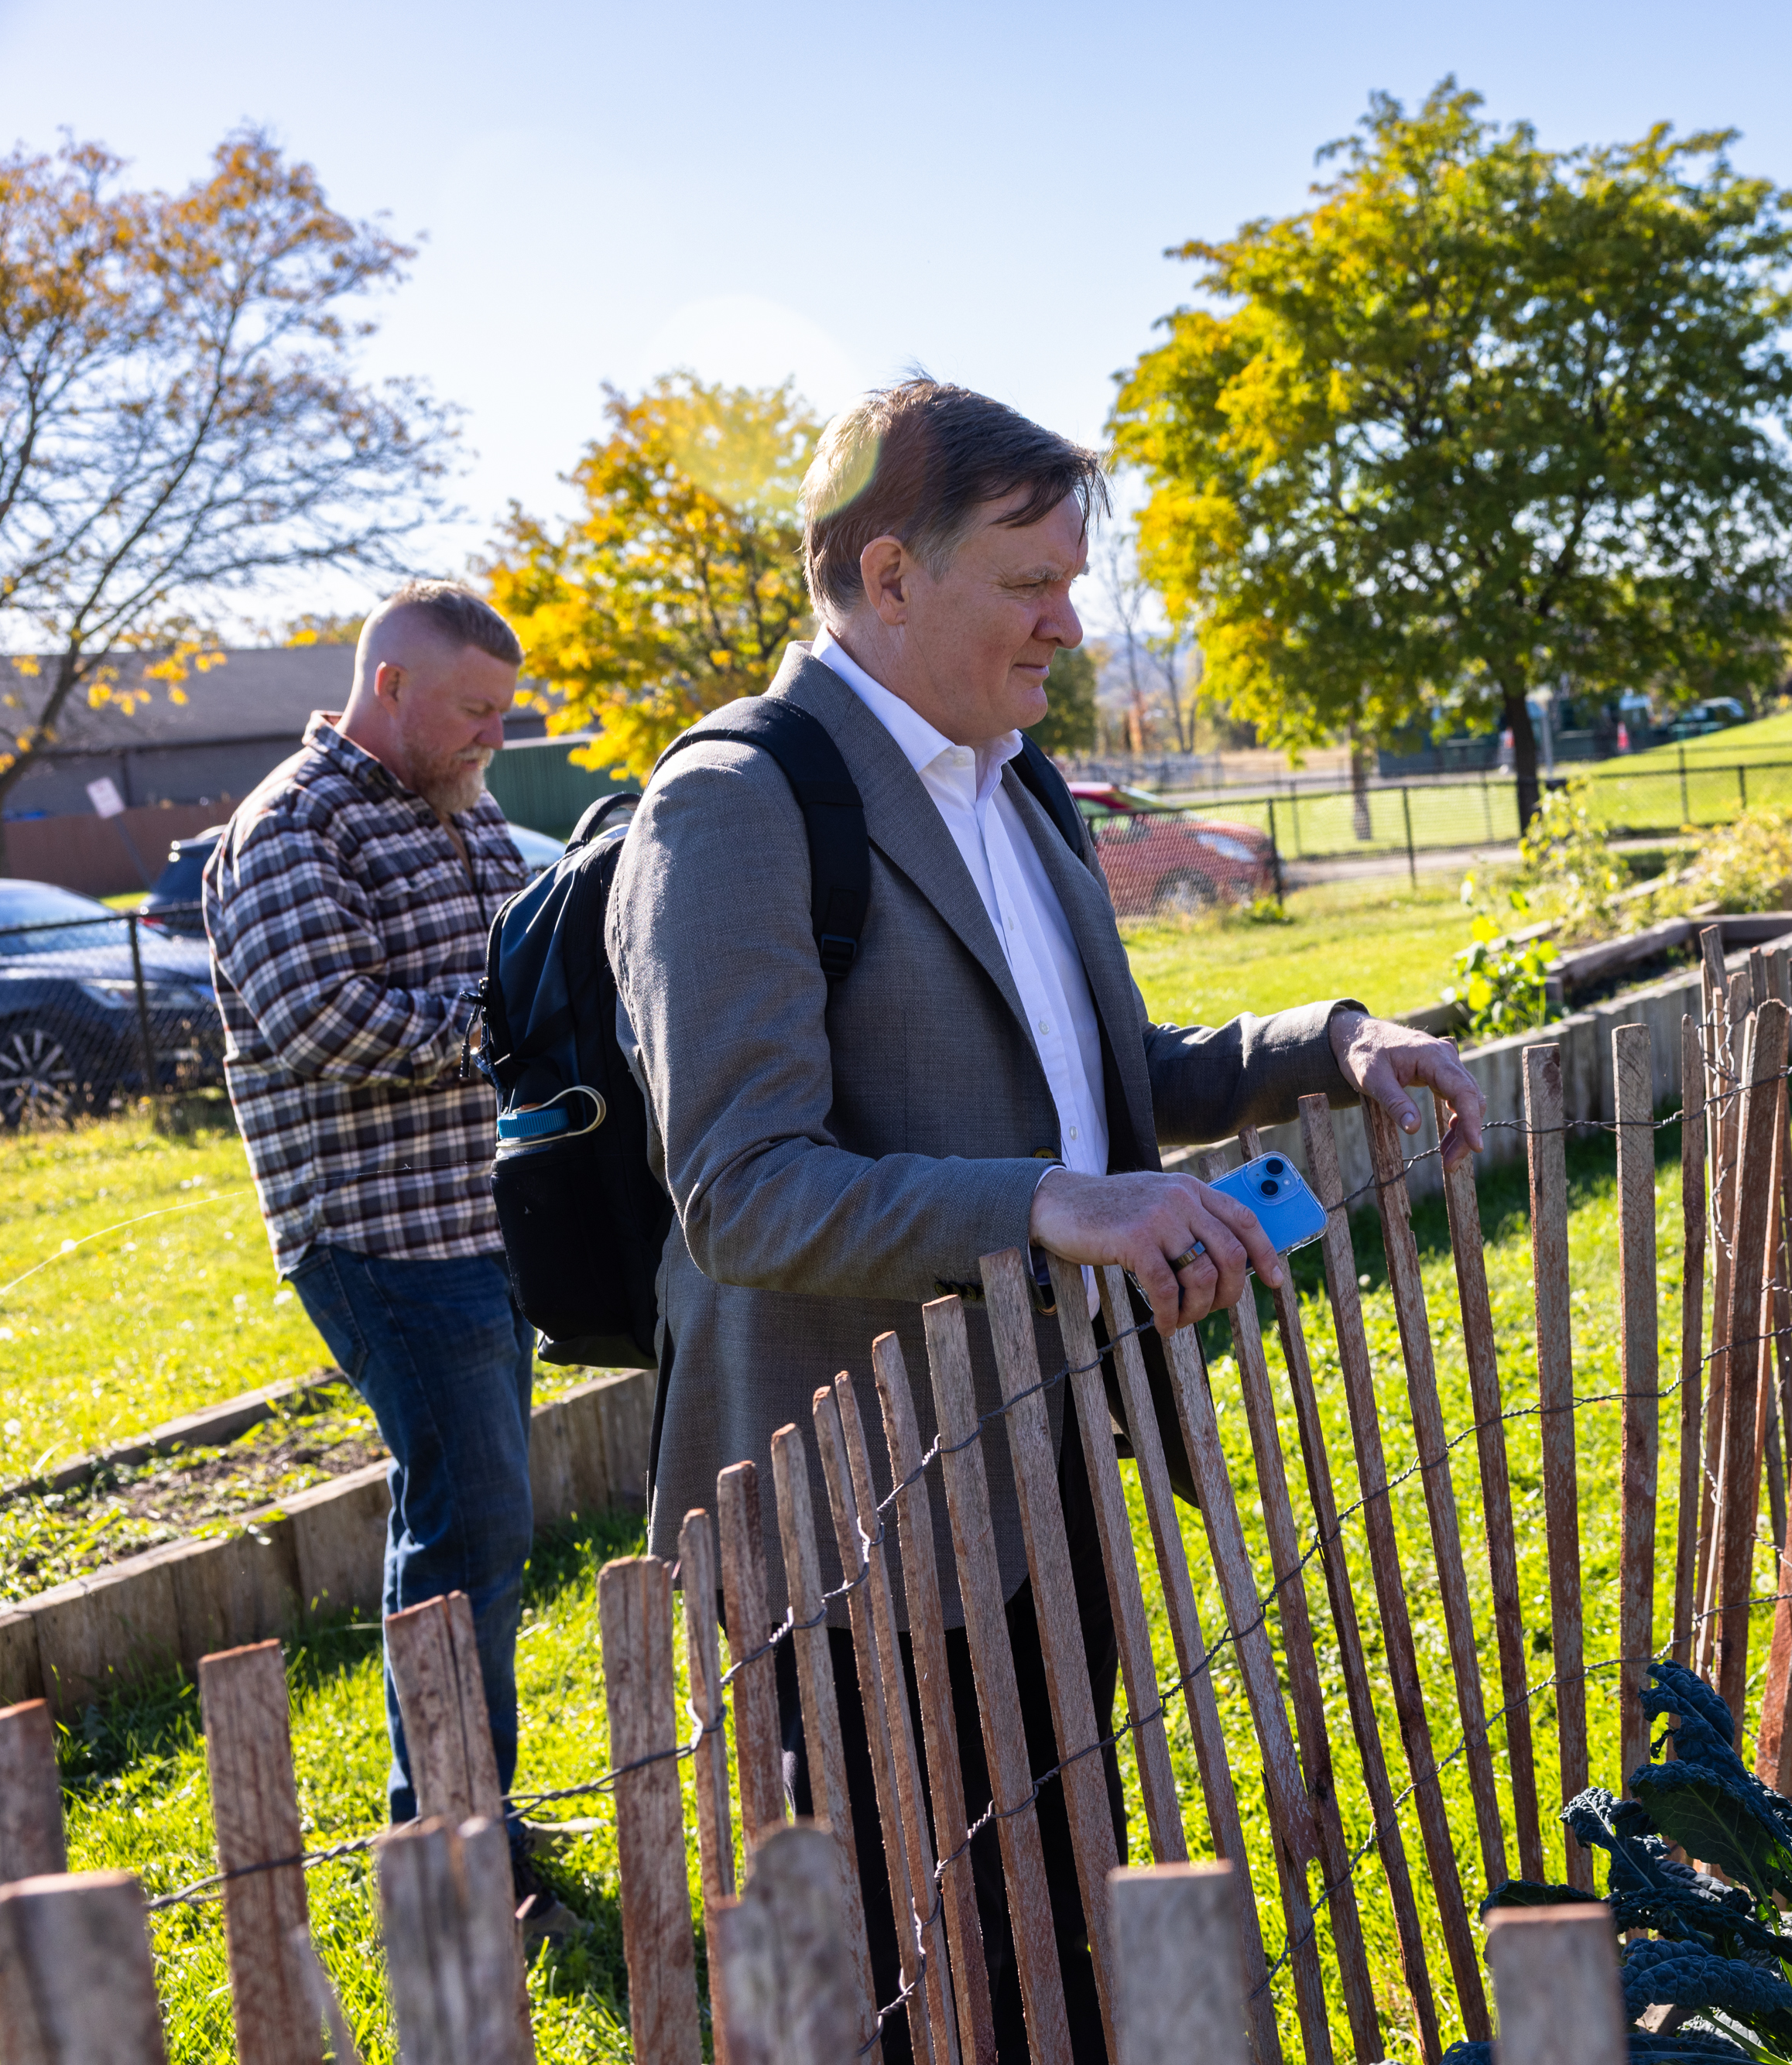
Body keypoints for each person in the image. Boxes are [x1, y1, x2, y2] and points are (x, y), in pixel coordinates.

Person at [609, 377, 1484, 2063]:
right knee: (915, 1957)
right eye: (1030, 585)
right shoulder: (734, 803)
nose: (1069, 627)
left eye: (1072, 585)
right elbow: (739, 1187)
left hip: (1036, 1442)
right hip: (852, 1511)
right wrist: (1050, 1205)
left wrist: (1331, 1039)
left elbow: (1107, 1070)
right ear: (886, 577)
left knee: (1050, 1910)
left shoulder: (1009, 778)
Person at [201, 582, 563, 1923]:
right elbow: (324, 1021)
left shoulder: (458, 813)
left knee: (475, 1520)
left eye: (504, 715)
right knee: (474, 1529)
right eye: (475, 711)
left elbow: (532, 953)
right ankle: (452, 1867)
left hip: (478, 1225)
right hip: (378, 1237)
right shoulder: (292, 826)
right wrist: (504, 1021)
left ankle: (468, 1829)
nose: (492, 738)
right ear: (391, 687)